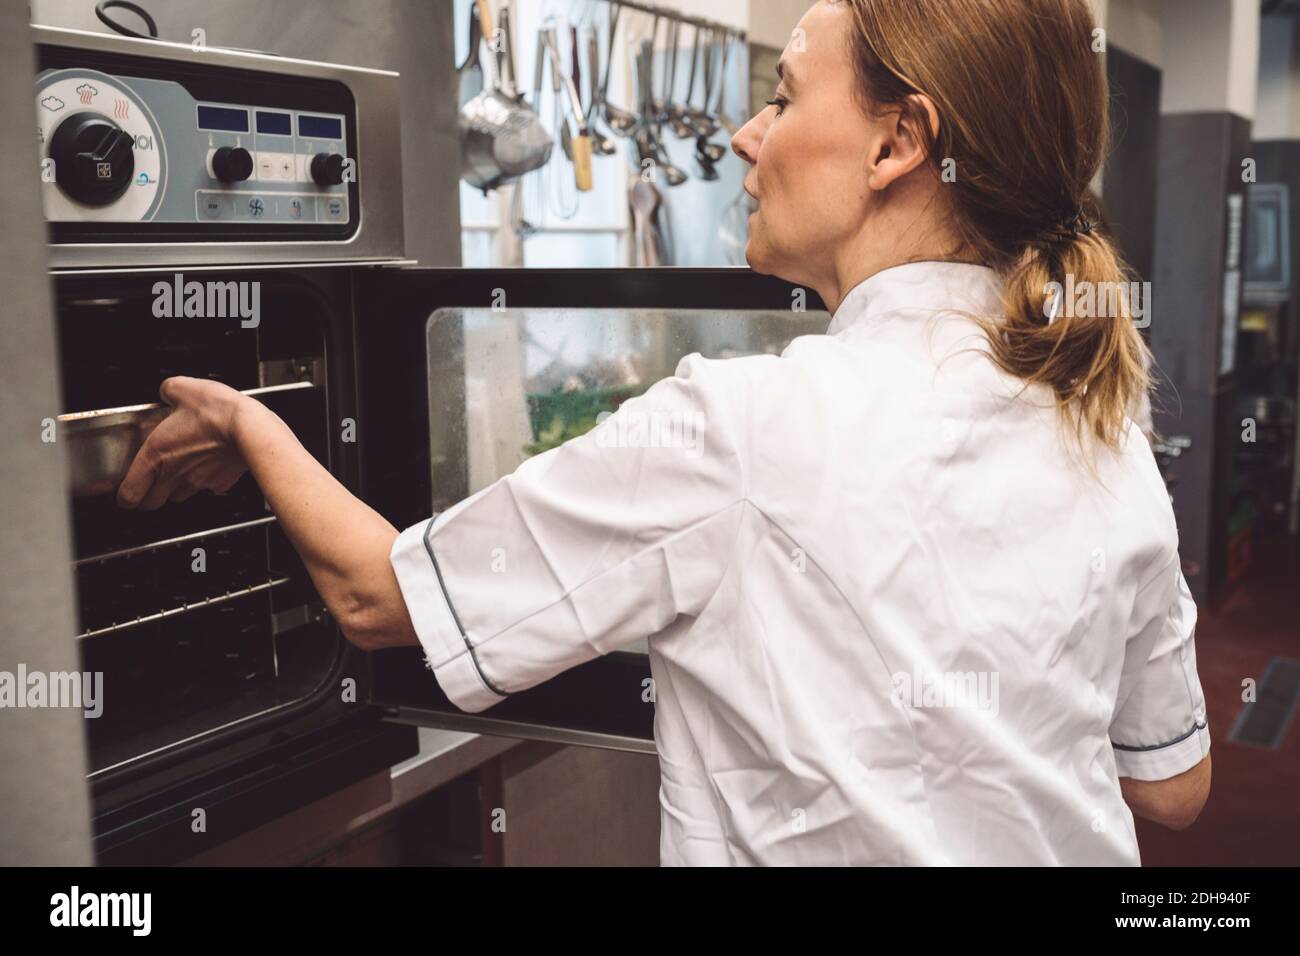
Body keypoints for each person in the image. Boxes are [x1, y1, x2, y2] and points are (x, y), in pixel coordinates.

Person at [117, 0, 1210, 865]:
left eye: (780, 99)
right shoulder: (1100, 422)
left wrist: (251, 422)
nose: (746, 134)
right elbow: (1170, 787)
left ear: (897, 141)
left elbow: (376, 596)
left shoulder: (744, 426)